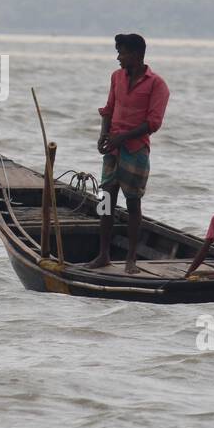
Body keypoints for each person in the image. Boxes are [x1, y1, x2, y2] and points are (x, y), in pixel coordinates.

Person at [84, 33, 170, 275]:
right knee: (106, 200)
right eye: (118, 53)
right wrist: (103, 135)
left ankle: (131, 259)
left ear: (136, 54)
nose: (118, 58)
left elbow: (153, 123)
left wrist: (122, 137)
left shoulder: (157, 84)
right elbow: (108, 109)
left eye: (122, 53)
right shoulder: (116, 77)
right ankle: (103, 254)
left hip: (136, 150)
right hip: (113, 149)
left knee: (133, 204)